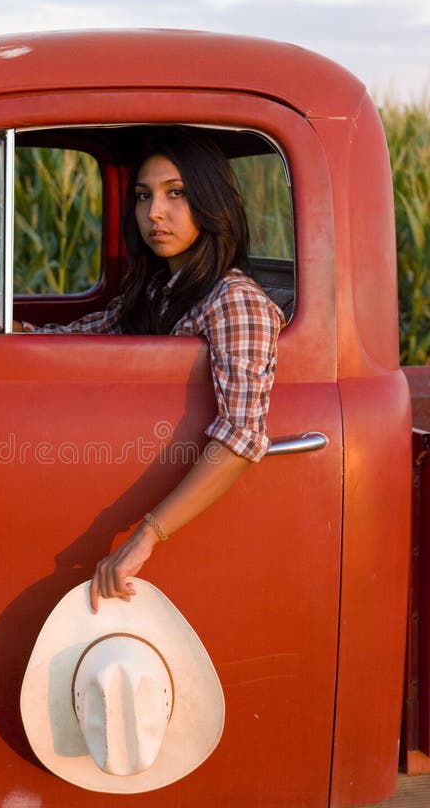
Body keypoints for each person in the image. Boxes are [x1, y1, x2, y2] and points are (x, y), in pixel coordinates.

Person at [14, 127, 286, 613]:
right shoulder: (157, 290)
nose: (153, 212)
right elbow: (71, 342)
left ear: (210, 200)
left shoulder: (235, 301)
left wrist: (147, 534)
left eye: (175, 193)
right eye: (143, 196)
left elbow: (241, 436)